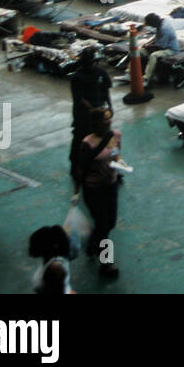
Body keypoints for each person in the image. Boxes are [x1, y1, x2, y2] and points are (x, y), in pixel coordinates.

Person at [74, 107, 122, 277]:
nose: (109, 121)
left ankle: (93, 242)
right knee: (102, 224)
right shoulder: (88, 143)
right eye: (105, 119)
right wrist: (76, 192)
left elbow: (116, 153)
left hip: (111, 185)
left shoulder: (115, 135)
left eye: (109, 118)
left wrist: (120, 164)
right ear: (96, 123)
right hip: (93, 189)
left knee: (110, 223)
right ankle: (106, 262)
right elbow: (80, 168)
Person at [68, 49, 112, 175]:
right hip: (83, 114)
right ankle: (75, 165)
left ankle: (106, 166)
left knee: (103, 138)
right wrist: (92, 109)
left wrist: (109, 106)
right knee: (80, 139)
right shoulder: (76, 77)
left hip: (99, 112)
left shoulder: (101, 73)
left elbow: (105, 90)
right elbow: (79, 98)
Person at [141, 11, 184, 86]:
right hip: (162, 46)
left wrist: (149, 47)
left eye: (150, 25)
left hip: (171, 50)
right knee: (139, 51)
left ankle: (146, 78)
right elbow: (156, 38)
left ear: (154, 23)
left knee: (153, 55)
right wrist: (148, 44)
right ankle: (129, 73)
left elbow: (161, 46)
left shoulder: (165, 29)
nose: (151, 27)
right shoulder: (161, 22)